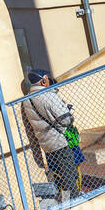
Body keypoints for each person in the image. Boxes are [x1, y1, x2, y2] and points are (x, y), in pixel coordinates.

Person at [20, 69, 81, 201]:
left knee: (60, 176)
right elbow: (65, 120)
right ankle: (73, 202)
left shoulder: (27, 100)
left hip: (46, 144)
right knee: (69, 175)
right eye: (47, 78)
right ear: (43, 80)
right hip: (60, 141)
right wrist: (68, 112)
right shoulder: (48, 95)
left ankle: (66, 200)